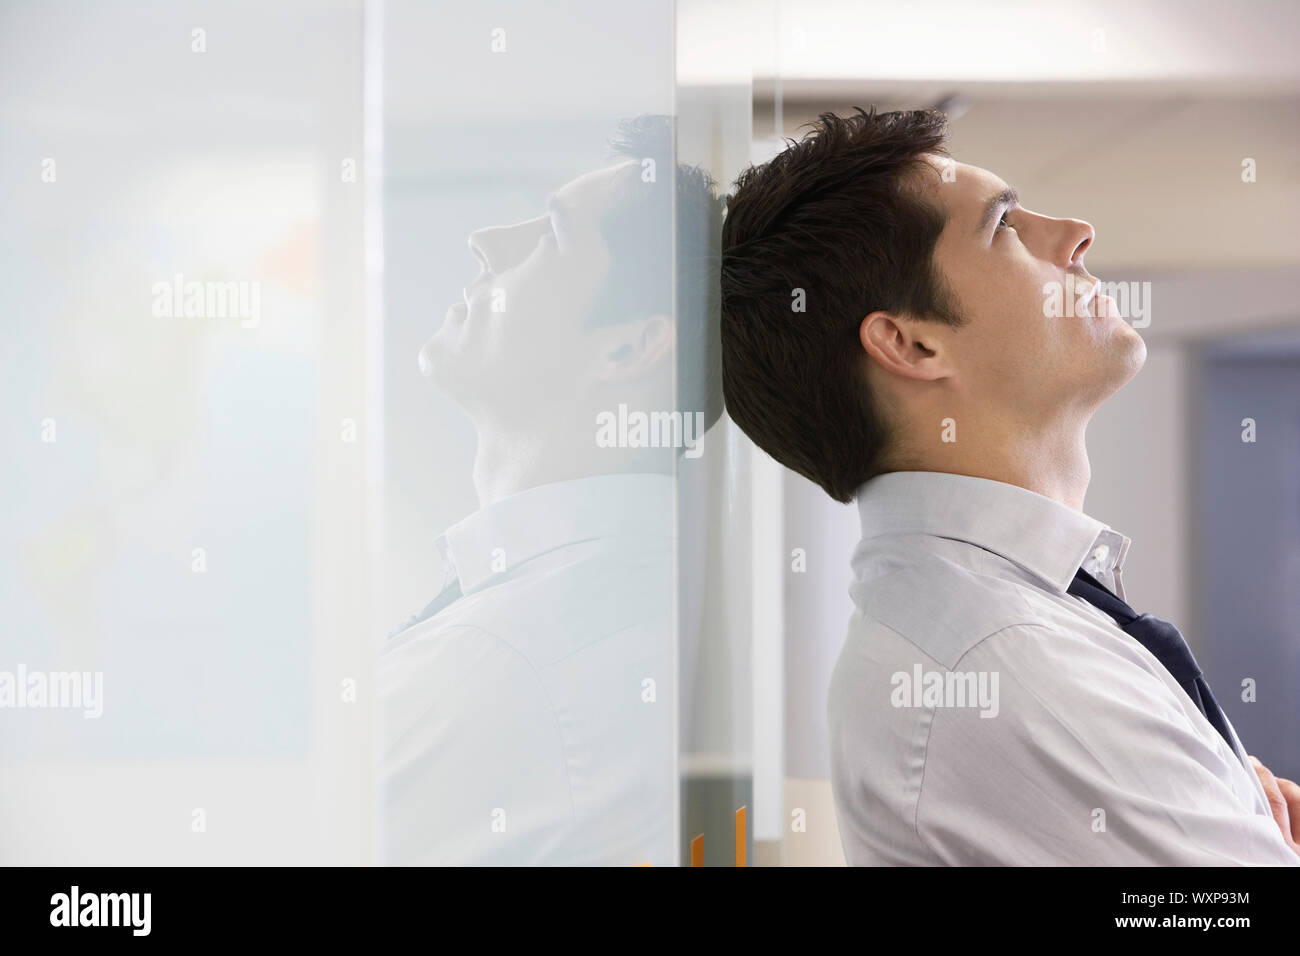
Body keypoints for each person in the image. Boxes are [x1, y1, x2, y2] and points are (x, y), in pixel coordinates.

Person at [718, 106, 1300, 865]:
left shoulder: (1002, 627)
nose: (1075, 231)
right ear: (911, 342)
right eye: (1004, 226)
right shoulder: (1014, 662)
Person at [379, 116, 724, 865]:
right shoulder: (641, 613)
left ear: (632, 346)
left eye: (551, 236)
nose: (487, 241)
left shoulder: (502, 660)